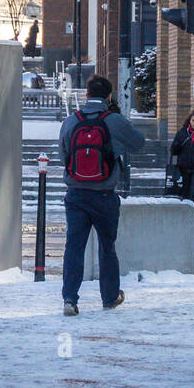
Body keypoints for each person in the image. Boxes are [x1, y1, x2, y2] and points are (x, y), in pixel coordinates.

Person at [57, 75, 146, 316]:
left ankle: (69, 299)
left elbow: (64, 155)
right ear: (109, 97)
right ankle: (109, 297)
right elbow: (139, 143)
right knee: (107, 247)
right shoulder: (113, 120)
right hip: (105, 195)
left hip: (75, 194)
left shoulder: (71, 121)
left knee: (74, 247)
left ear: (86, 95)